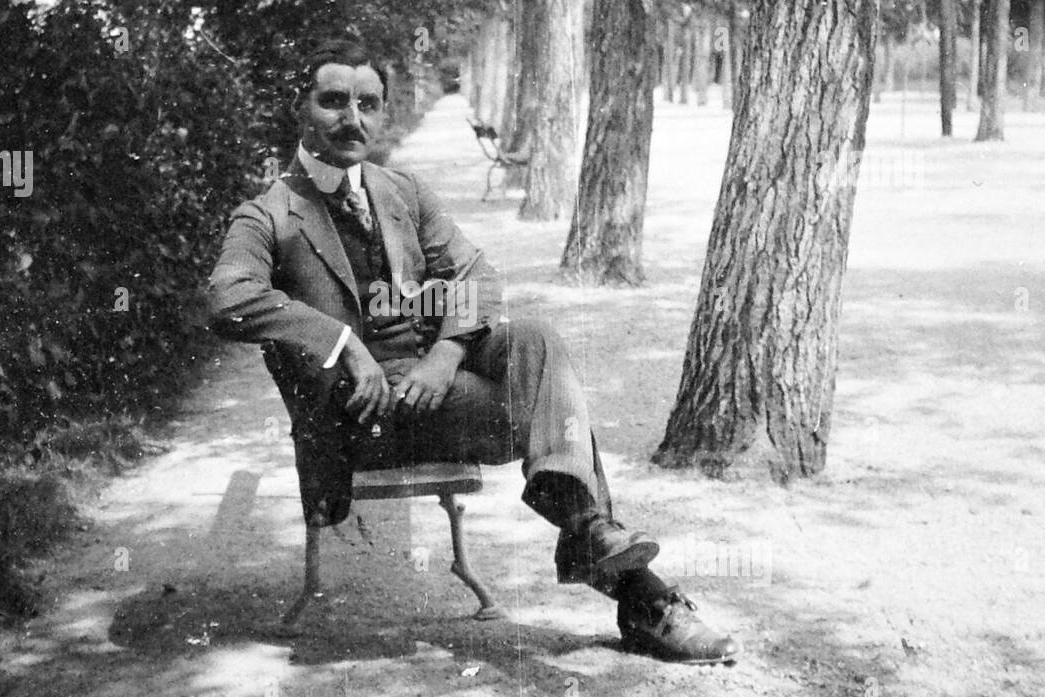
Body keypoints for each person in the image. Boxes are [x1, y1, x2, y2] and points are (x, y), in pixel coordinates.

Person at [206, 38, 738, 663]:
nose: (354, 120)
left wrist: (445, 354)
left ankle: (593, 535)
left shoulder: (399, 191)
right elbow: (226, 298)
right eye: (333, 102)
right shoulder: (269, 212)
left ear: (382, 113)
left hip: (435, 389)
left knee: (536, 339)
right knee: (548, 408)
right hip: (358, 418)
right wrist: (342, 343)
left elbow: (477, 275)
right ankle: (631, 583)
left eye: (368, 104)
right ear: (300, 109)